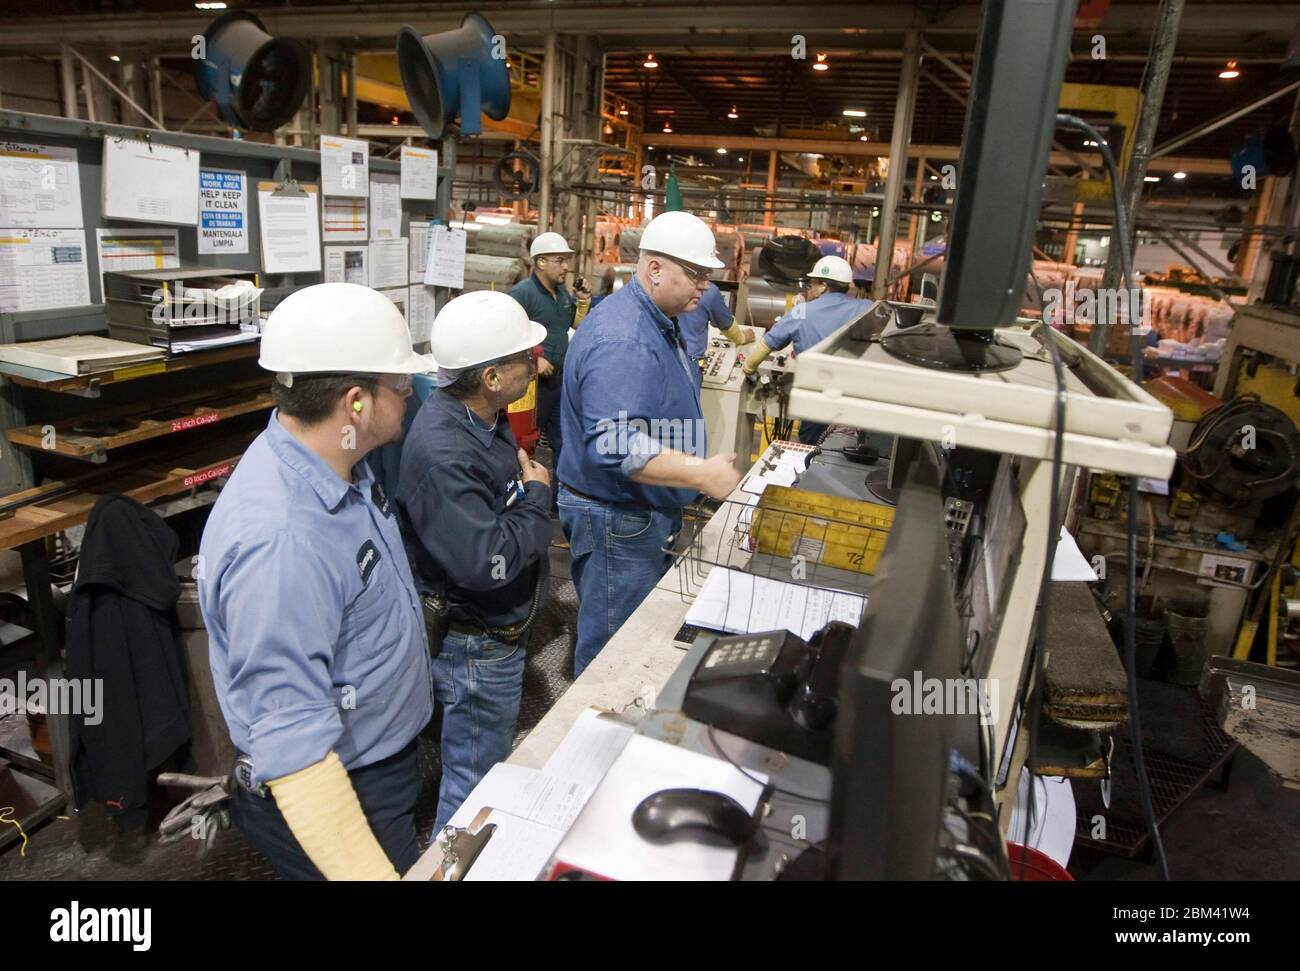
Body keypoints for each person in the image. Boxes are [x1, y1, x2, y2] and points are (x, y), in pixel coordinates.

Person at [197, 282, 433, 880]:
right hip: (344, 788)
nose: (411, 394)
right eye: (400, 384)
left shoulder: (339, 462)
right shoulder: (282, 542)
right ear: (356, 402)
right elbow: (294, 744)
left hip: (381, 761)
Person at [558, 211, 744, 676]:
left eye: (707, 276)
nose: (704, 287)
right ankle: (592, 730)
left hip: (636, 509)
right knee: (613, 649)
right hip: (616, 516)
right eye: (695, 275)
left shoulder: (660, 318)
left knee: (629, 629)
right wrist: (701, 473)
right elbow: (615, 443)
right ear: (655, 268)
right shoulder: (625, 338)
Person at [397, 290, 553, 829]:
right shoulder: (445, 452)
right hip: (477, 646)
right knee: (474, 781)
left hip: (497, 635)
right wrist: (537, 497)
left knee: (482, 768)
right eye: (524, 358)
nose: (536, 363)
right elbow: (489, 563)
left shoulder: (483, 416)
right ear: (490, 377)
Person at [743, 255, 873, 444]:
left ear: (823, 286)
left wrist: (749, 369)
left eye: (811, 284)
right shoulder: (864, 308)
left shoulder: (801, 312)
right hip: (853, 402)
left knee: (812, 453)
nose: (808, 289)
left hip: (816, 401)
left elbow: (765, 346)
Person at [507, 232, 592, 497]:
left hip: (559, 382)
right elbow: (508, 331)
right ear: (541, 262)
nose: (566, 267)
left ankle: (559, 500)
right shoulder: (523, 294)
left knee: (563, 441)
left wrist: (583, 301)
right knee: (523, 442)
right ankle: (516, 495)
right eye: (560, 260)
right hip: (531, 386)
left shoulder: (562, 294)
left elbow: (575, 325)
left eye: (566, 261)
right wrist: (534, 357)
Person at [676, 280, 756, 385]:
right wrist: (742, 337)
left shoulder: (662, 283)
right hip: (691, 362)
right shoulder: (707, 288)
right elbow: (727, 325)